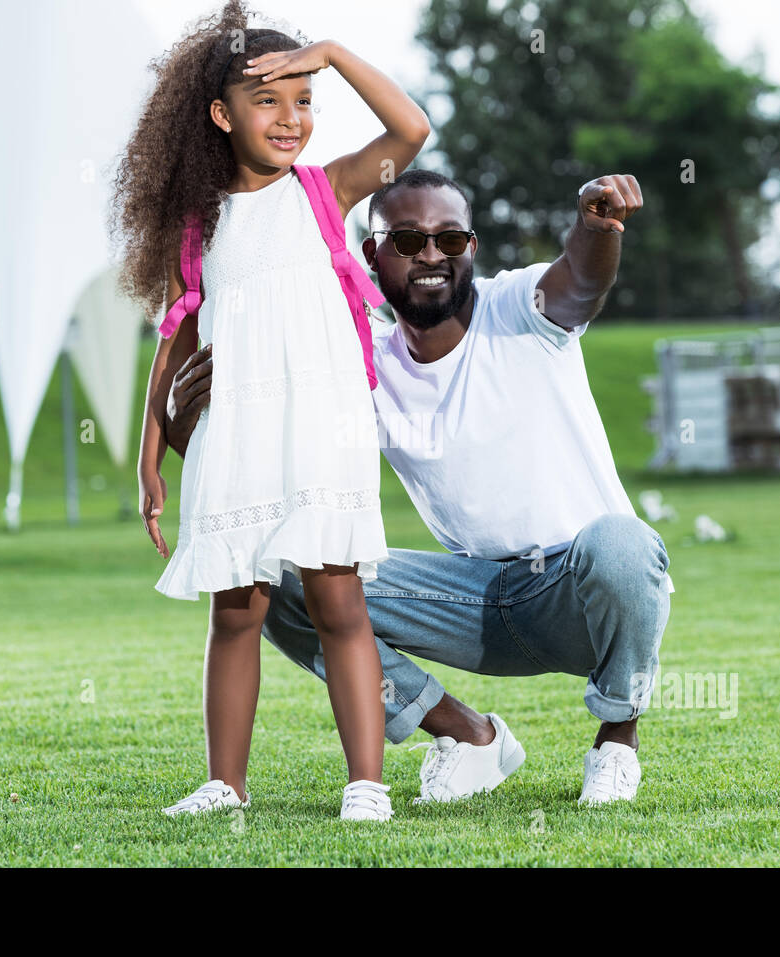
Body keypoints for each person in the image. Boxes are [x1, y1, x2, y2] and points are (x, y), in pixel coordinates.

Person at [163, 167, 674, 809]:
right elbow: (262, 457)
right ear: (371, 254)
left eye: (449, 239)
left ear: (471, 248)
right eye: (406, 241)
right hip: (474, 599)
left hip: (576, 588)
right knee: (291, 574)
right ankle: (468, 734)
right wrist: (186, 428)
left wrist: (596, 230)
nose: (431, 255)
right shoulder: (357, 360)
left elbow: (581, 283)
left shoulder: (519, 308)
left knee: (623, 542)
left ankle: (616, 744)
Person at [114, 1, 430, 821]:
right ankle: (226, 782)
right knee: (235, 609)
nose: (292, 118)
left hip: (321, 427)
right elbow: (176, 336)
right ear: (222, 114)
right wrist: (149, 453)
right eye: (269, 100)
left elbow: (411, 131)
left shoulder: (328, 191)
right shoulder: (199, 226)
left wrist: (333, 53)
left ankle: (366, 782)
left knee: (337, 603)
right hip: (238, 433)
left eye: (304, 99)